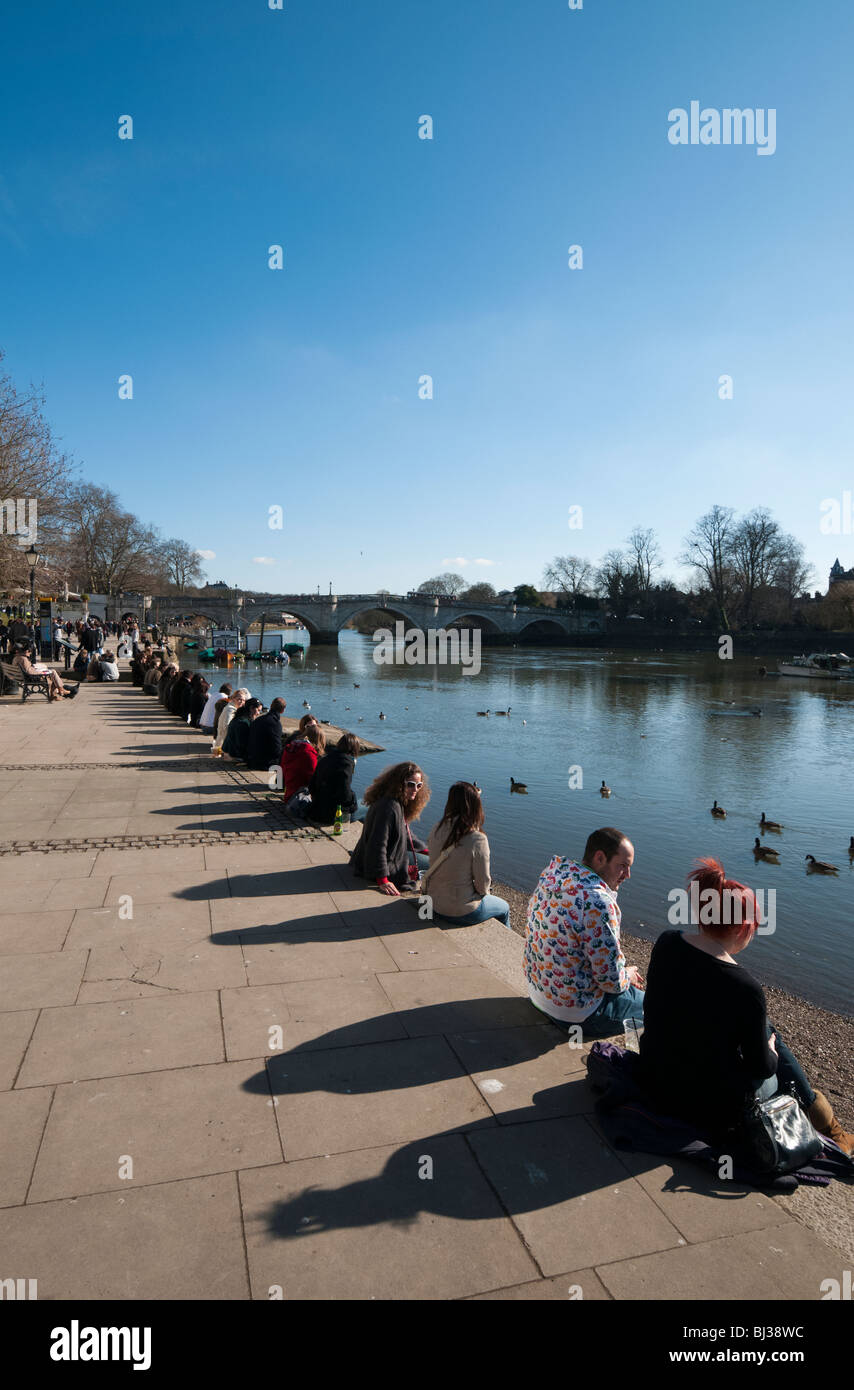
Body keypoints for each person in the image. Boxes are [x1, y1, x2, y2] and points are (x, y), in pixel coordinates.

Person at [637, 857, 853, 1155]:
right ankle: (829, 1127)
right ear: (741, 930)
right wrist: (773, 1055)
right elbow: (760, 1068)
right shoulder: (744, 987)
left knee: (754, 1028)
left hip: (654, 1078)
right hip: (702, 1106)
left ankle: (827, 1123)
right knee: (769, 1038)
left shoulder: (667, 942)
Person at [524, 826, 644, 1037]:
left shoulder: (553, 875)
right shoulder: (597, 901)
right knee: (659, 1005)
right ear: (600, 857)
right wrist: (629, 974)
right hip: (574, 1014)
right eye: (623, 866)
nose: (628, 875)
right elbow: (611, 982)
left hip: (538, 994)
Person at [424, 782, 511, 928]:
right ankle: (511, 949)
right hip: (461, 911)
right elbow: (482, 884)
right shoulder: (477, 839)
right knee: (504, 908)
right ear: (476, 806)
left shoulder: (437, 828)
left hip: (433, 904)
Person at [351, 761, 430, 896]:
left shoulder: (394, 802)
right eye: (411, 784)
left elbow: (405, 832)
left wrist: (425, 850)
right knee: (430, 864)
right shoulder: (389, 808)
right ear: (399, 784)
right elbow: (378, 844)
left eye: (419, 785)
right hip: (375, 867)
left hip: (368, 860)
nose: (416, 789)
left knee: (430, 857)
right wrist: (382, 880)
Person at [307, 731, 361, 824]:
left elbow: (311, 786)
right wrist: (352, 800)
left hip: (315, 810)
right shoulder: (346, 764)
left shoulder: (325, 758)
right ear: (354, 749)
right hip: (331, 814)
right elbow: (345, 794)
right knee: (363, 807)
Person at [12, 642, 79, 701]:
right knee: (52, 672)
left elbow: (27, 670)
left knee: (52, 675)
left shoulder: (17, 658)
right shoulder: (23, 659)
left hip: (24, 677)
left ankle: (58, 692)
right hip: (31, 678)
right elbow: (29, 672)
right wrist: (41, 672)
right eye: (29, 651)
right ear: (26, 651)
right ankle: (60, 690)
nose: (30, 653)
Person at [281, 716, 325, 804]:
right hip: (300, 797)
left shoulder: (292, 747)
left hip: (290, 793)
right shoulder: (308, 753)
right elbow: (313, 780)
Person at [245, 696, 286, 771]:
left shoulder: (258, 720)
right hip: (265, 763)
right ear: (283, 711)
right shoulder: (275, 723)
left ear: (271, 706)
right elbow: (276, 748)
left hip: (252, 760)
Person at [213, 688, 250, 755]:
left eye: (243, 700)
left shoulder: (232, 707)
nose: (241, 702)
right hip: (223, 745)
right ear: (233, 699)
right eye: (239, 699)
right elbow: (226, 727)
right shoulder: (230, 710)